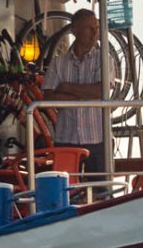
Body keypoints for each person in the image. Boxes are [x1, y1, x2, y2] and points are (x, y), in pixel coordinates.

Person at [40, 10, 108, 185]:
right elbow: (47, 97)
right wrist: (83, 95)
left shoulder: (104, 59)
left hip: (97, 138)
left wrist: (67, 87)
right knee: (66, 192)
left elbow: (101, 92)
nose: (95, 33)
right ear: (74, 30)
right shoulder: (58, 62)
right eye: (89, 28)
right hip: (66, 138)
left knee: (101, 191)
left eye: (96, 28)